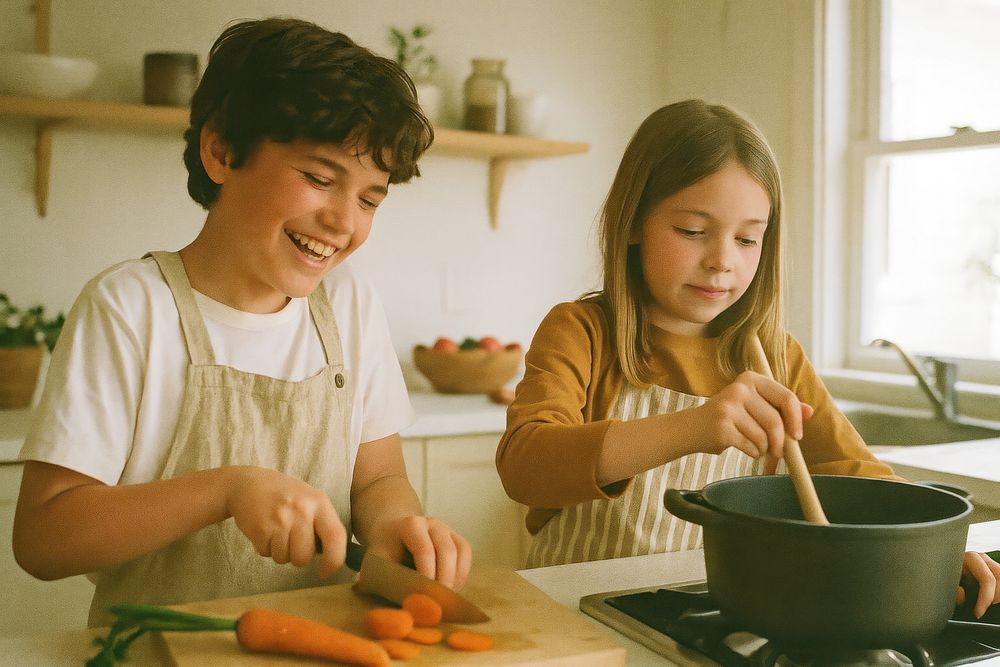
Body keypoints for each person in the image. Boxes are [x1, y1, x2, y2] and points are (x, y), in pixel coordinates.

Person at [12, 17, 471, 627]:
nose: (343, 222)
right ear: (222, 152)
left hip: (321, 645)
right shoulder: (130, 307)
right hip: (154, 654)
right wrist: (227, 490)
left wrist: (395, 528)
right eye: (319, 179)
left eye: (369, 199)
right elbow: (44, 539)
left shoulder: (348, 304)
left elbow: (378, 478)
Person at [495, 99, 1000, 617]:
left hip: (715, 614)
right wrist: (693, 427)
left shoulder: (776, 356)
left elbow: (852, 470)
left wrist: (935, 545)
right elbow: (524, 467)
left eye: (746, 239)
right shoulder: (582, 332)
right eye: (693, 231)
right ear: (632, 223)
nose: (722, 260)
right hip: (573, 615)